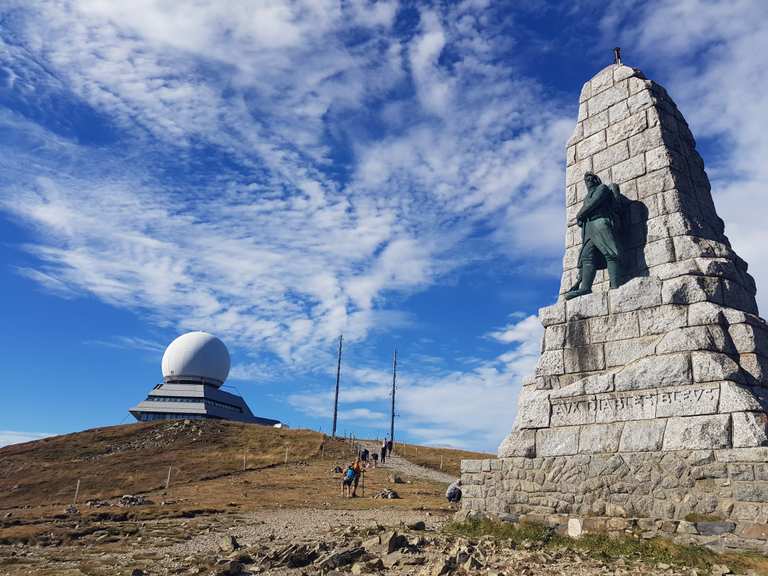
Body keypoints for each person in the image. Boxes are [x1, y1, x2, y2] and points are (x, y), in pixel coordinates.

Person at [564, 172, 625, 300]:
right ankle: (585, 288)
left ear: (597, 180)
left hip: (601, 222)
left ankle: (615, 285)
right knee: (587, 256)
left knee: (610, 252)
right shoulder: (587, 196)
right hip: (590, 227)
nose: (589, 181)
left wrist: (580, 215)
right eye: (586, 180)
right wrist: (582, 218)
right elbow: (587, 206)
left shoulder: (602, 188)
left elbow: (593, 204)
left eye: (591, 179)